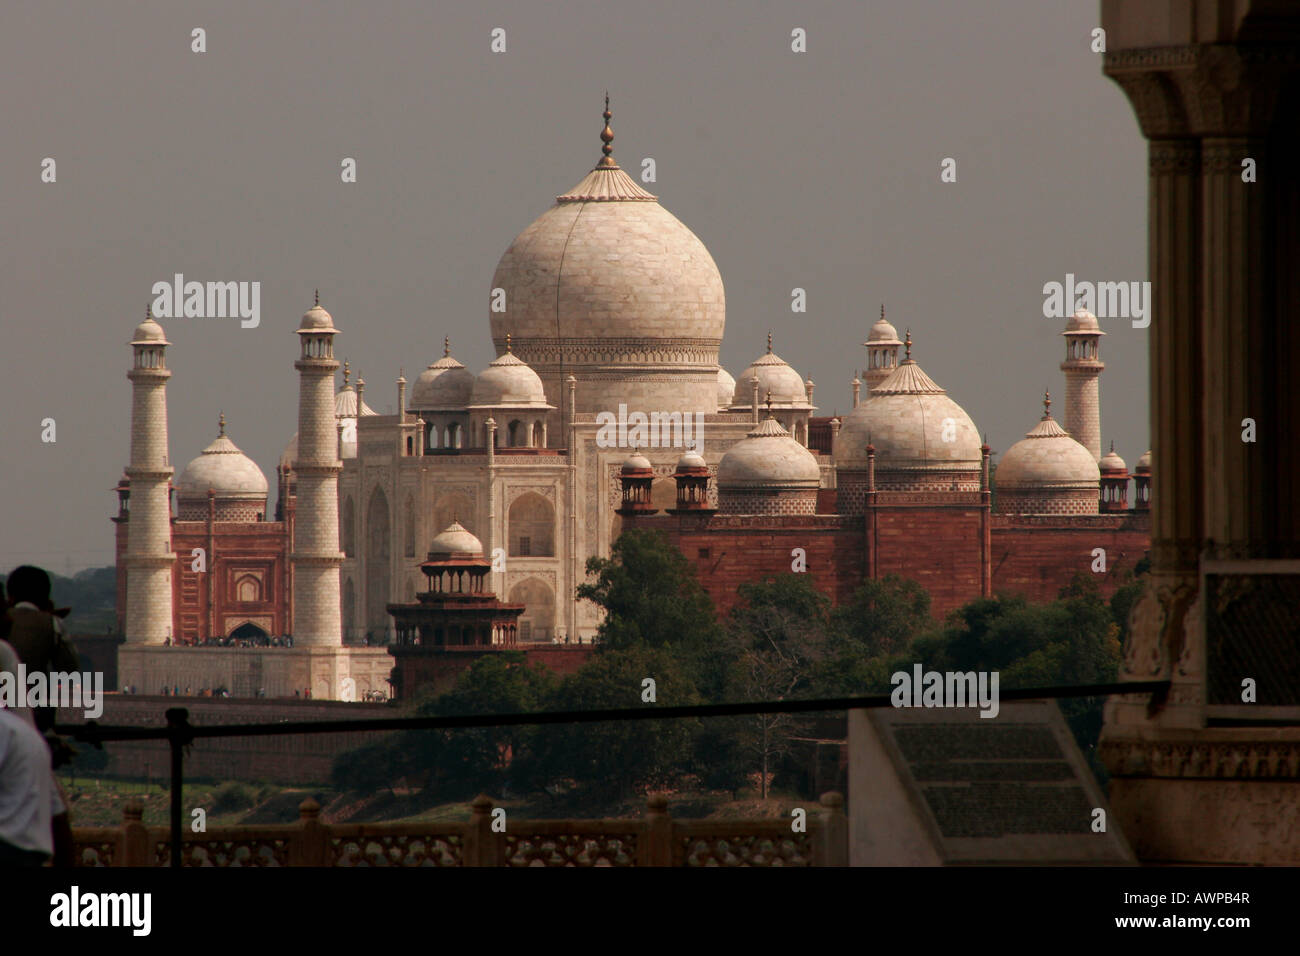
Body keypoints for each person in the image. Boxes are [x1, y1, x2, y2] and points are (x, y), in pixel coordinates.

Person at [3, 566, 79, 734]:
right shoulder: (52, 623)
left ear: (10, 595)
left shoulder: (5, 619)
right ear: (46, 596)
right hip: (35, 713)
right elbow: (69, 670)